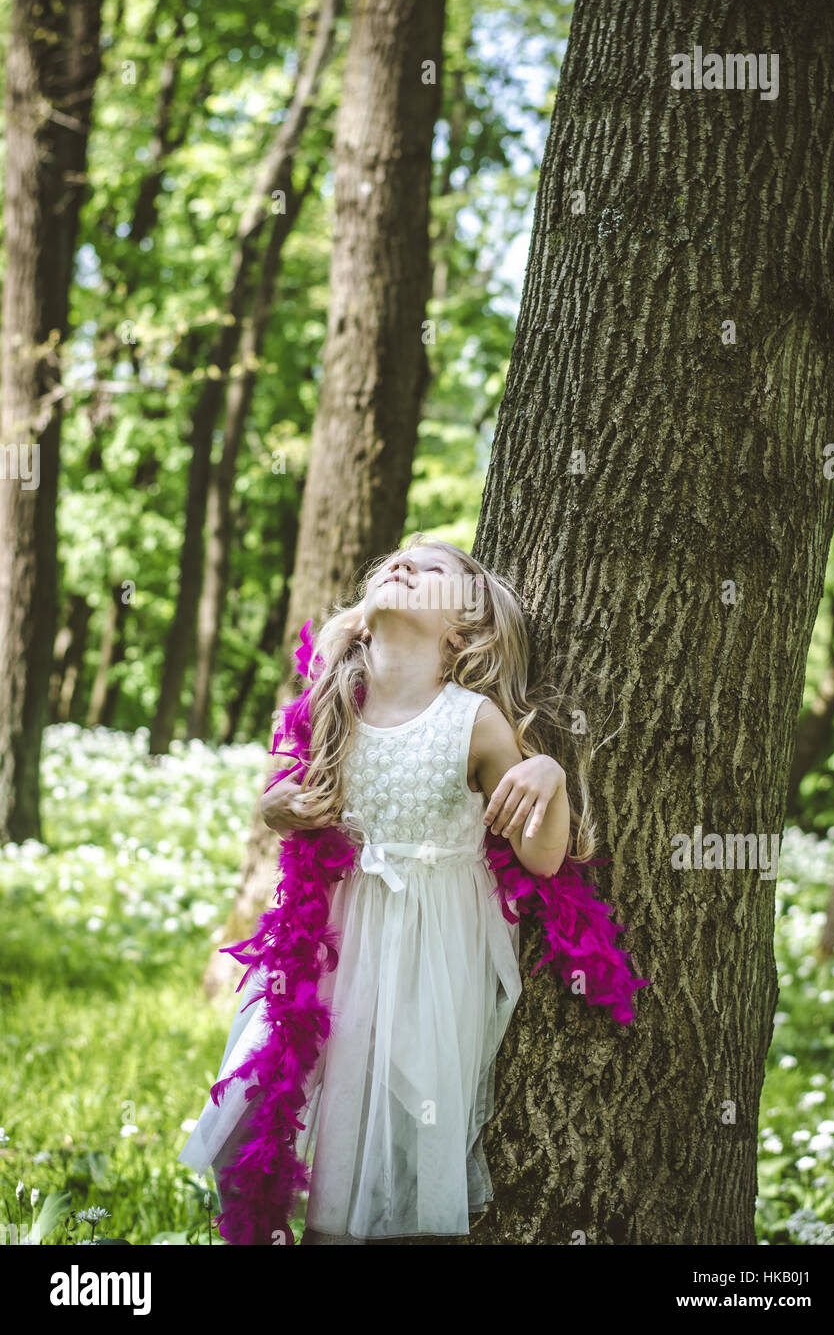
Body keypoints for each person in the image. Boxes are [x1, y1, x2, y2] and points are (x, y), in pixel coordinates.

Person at [179, 532, 605, 1243]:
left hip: (423, 954)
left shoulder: (472, 720)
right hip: (325, 943)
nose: (403, 563)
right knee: (245, 1123)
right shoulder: (336, 703)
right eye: (394, 562)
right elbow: (298, 795)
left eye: (430, 567)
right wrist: (275, 807)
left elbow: (541, 857)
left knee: (384, 1158)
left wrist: (548, 777)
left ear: (462, 624)